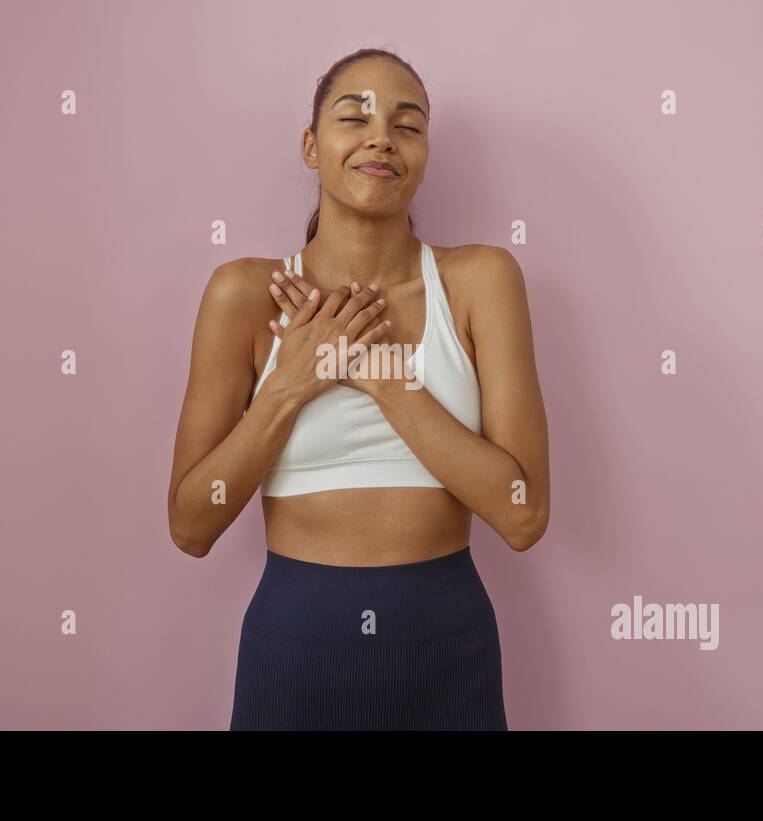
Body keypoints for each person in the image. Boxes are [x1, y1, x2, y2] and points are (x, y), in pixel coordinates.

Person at [167, 47, 550, 730]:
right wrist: (289, 384)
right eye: (355, 117)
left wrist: (387, 383)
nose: (382, 137)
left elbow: (523, 515)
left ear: (424, 155)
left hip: (448, 654)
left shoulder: (482, 282)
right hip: (294, 655)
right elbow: (190, 525)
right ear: (312, 147)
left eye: (408, 125)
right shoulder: (243, 295)